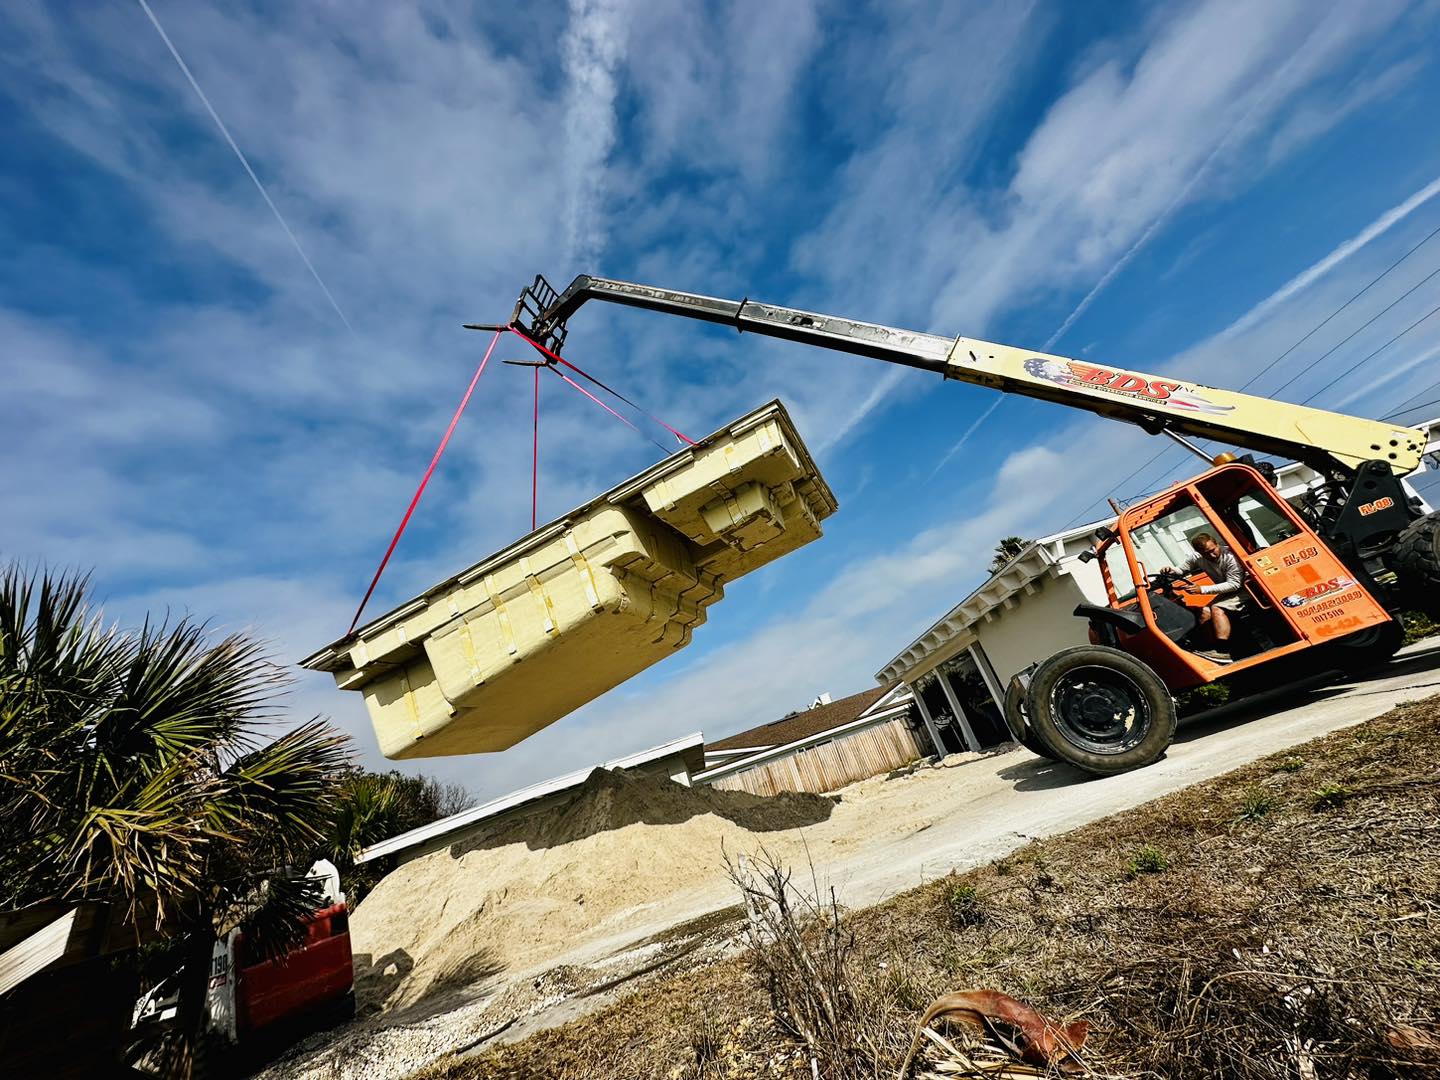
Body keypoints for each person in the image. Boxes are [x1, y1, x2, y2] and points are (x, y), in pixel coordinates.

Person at [1165, 532, 1246, 662]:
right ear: (1199, 552)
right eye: (1205, 553)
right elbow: (1182, 570)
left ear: (1216, 544)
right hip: (1228, 593)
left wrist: (1201, 589)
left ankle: (1223, 649)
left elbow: (1234, 584)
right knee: (1204, 612)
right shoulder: (1197, 557)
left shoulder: (1230, 557)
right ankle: (1214, 651)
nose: (1210, 555)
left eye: (1212, 550)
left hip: (1245, 590)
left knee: (1217, 608)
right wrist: (1171, 570)